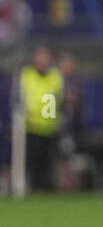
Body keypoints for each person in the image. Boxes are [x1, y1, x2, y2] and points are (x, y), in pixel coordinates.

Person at [19, 45, 62, 192]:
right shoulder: (27, 75)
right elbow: (21, 98)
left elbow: (57, 99)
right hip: (31, 126)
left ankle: (45, 189)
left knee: (47, 162)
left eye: (45, 57)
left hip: (49, 127)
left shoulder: (55, 76)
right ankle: (30, 187)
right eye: (40, 57)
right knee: (32, 161)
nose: (43, 60)